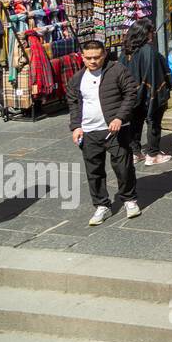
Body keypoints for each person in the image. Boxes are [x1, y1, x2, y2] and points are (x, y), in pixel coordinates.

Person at [66, 39, 140, 227]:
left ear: (104, 54)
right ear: (82, 57)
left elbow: (131, 93)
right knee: (94, 170)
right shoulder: (77, 79)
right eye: (88, 58)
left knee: (123, 166)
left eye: (97, 57)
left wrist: (119, 118)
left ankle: (129, 199)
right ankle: (101, 205)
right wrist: (75, 126)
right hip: (89, 131)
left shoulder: (117, 70)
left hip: (114, 129)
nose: (93, 61)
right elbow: (73, 104)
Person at [120, 19, 172, 166]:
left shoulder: (125, 51)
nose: (154, 34)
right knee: (153, 120)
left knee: (135, 121)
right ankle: (153, 154)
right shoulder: (149, 50)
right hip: (150, 93)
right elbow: (155, 74)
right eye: (151, 31)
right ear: (145, 33)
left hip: (131, 93)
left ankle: (135, 152)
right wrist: (158, 93)